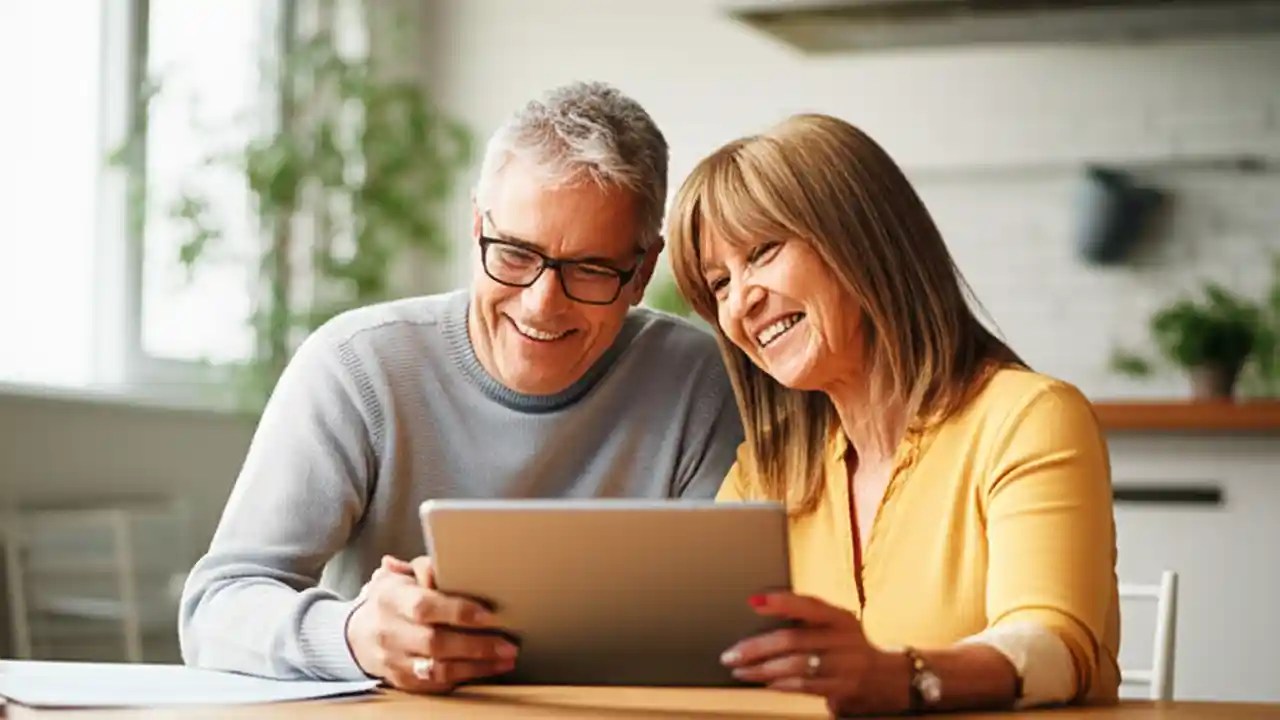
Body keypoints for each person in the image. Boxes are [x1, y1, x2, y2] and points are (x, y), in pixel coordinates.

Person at [180, 81, 743, 693]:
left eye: (590, 269)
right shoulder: (356, 367)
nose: (541, 303)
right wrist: (354, 635)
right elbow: (215, 610)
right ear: (477, 225)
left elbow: (723, 625)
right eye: (515, 253)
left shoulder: (701, 384)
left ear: (641, 272)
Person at [666, 113, 1119, 716]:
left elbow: (1054, 649)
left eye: (764, 252)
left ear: (861, 238)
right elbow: (693, 651)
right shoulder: (765, 473)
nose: (742, 300)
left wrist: (899, 677)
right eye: (719, 283)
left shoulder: (1026, 419)